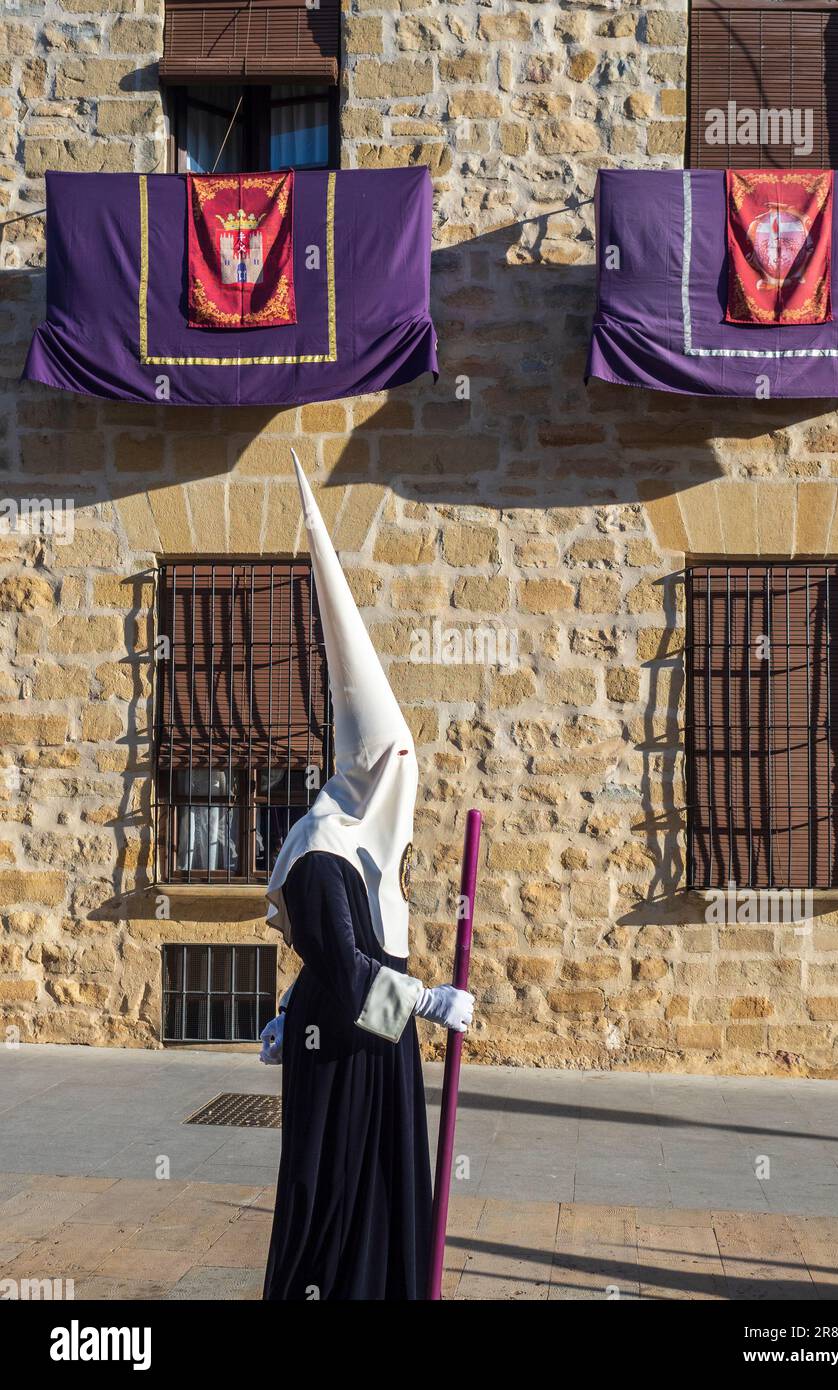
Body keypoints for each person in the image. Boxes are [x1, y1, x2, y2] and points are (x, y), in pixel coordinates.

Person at [261, 451, 474, 1301]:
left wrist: (286, 1006)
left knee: (378, 1184)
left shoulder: (348, 840)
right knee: (337, 1192)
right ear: (361, 766)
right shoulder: (319, 850)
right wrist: (428, 1000)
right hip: (346, 1046)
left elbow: (338, 948)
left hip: (366, 1042)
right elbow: (346, 969)